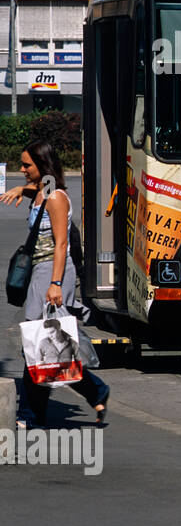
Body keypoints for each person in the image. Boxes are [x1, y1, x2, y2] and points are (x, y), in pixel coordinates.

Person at [1, 142, 110, 426]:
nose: (22, 170)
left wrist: (56, 284)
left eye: (27, 166)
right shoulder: (42, 191)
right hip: (40, 271)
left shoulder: (56, 197)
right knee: (46, 343)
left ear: (43, 166)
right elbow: (37, 198)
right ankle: (95, 389)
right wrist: (20, 190)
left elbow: (62, 243)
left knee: (37, 343)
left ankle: (31, 413)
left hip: (54, 271)